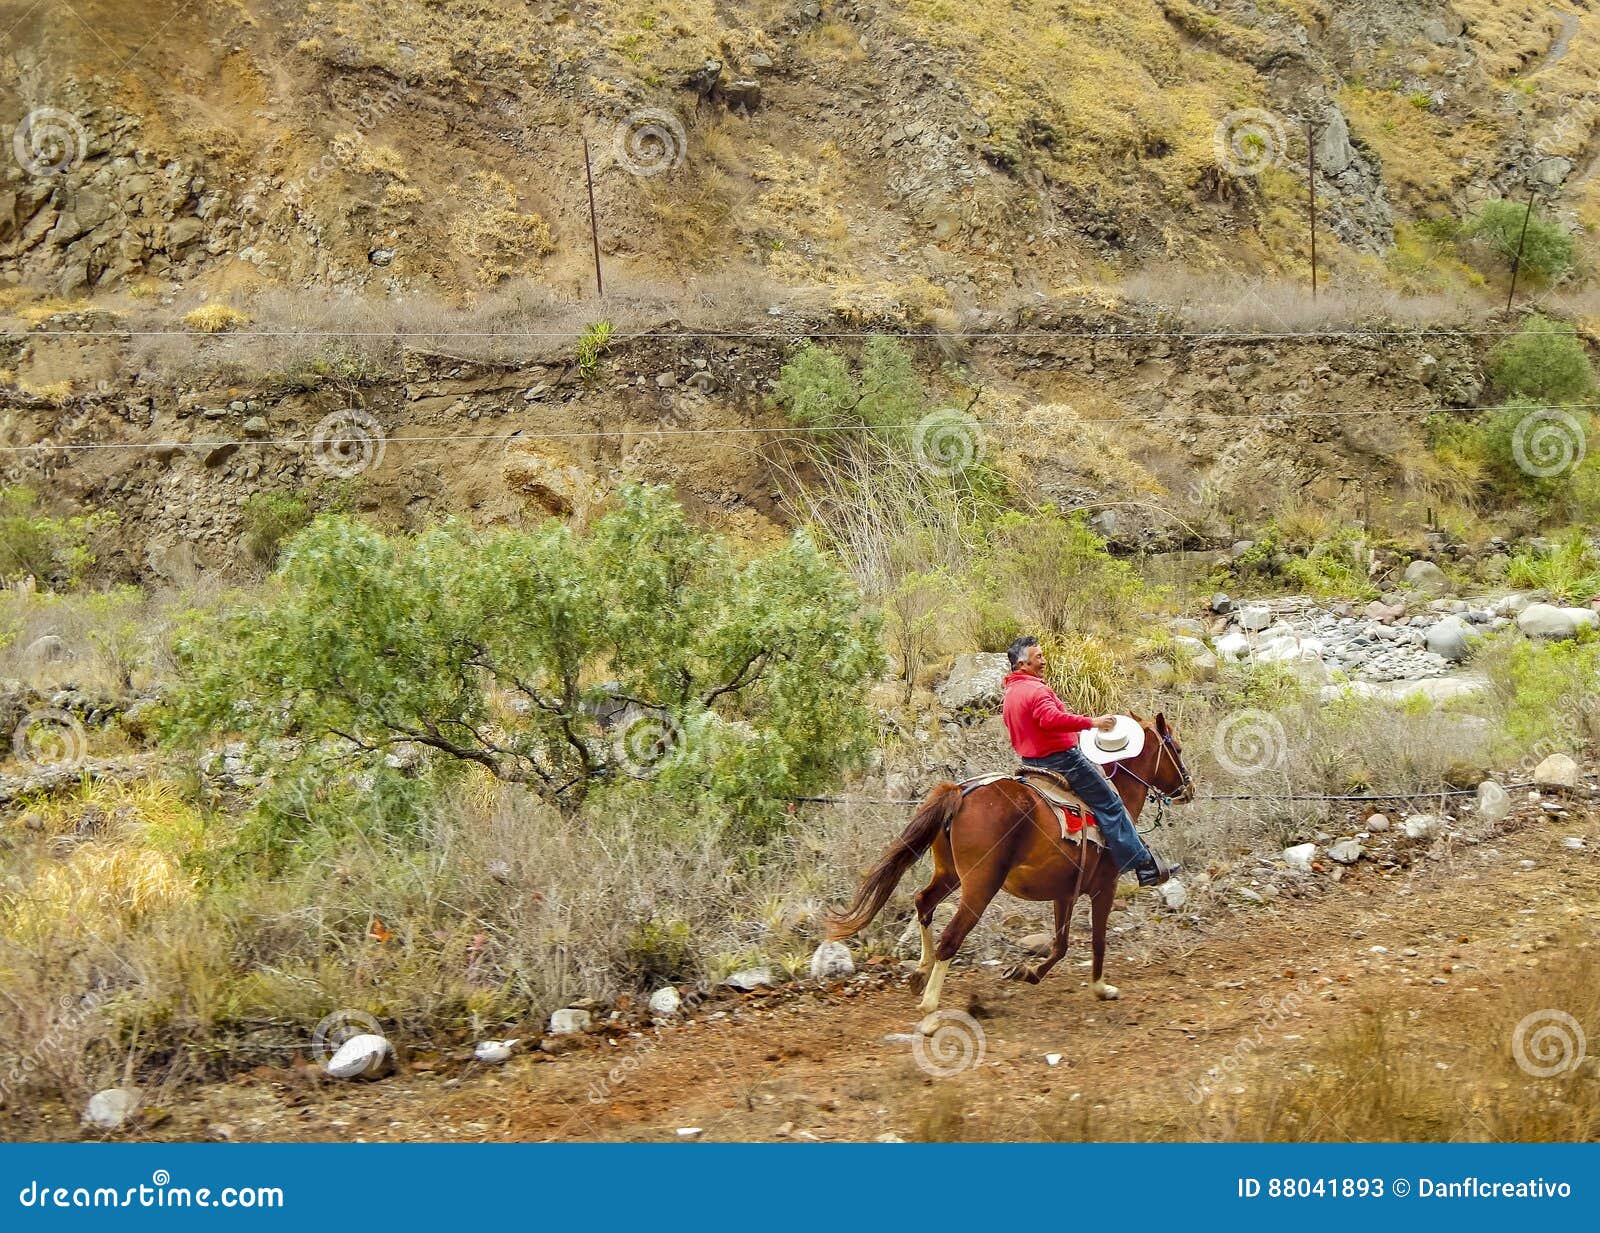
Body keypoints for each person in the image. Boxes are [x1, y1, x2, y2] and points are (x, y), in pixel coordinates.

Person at [1000, 634, 1179, 887]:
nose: (1043, 660)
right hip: (1062, 761)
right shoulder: (1037, 689)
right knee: (1111, 802)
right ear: (1022, 665)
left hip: (1030, 762)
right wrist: (1092, 723)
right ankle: (1144, 866)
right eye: (1038, 657)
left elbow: (1030, 725)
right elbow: (1050, 720)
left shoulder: (1011, 692)